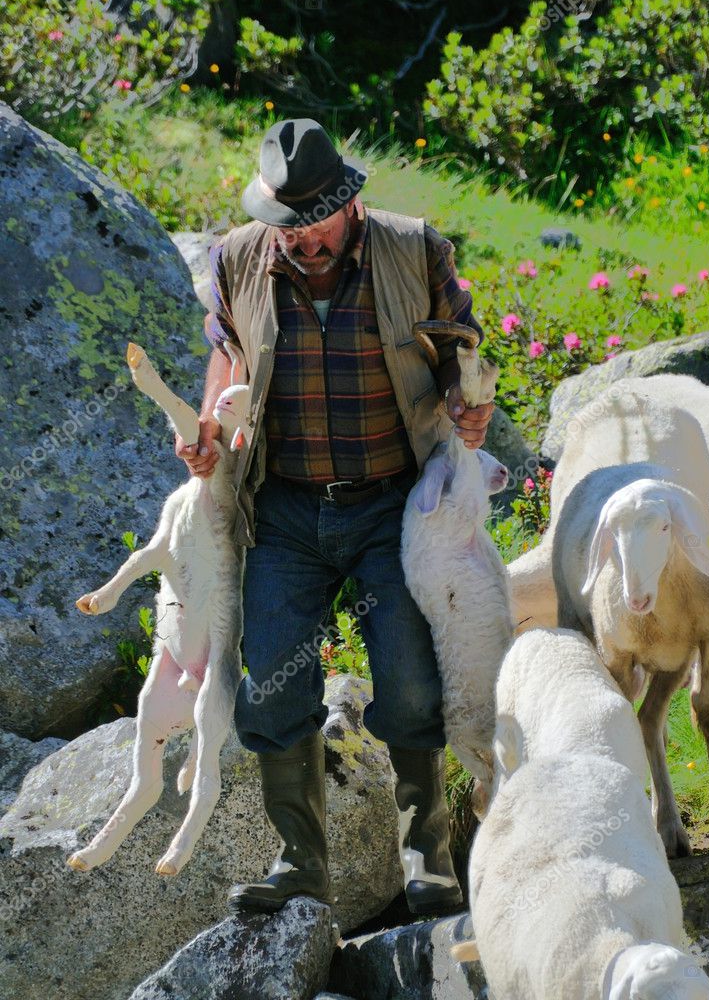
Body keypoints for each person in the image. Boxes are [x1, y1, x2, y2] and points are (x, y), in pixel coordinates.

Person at [175, 117, 493, 917]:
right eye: (289, 225)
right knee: (273, 685)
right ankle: (301, 866)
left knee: (411, 681)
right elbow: (229, 351)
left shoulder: (412, 248)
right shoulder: (240, 258)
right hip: (284, 507)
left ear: (349, 202)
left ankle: (428, 860)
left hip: (393, 503)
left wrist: (465, 398)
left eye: (316, 222)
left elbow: (460, 341)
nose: (304, 239)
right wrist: (209, 425)